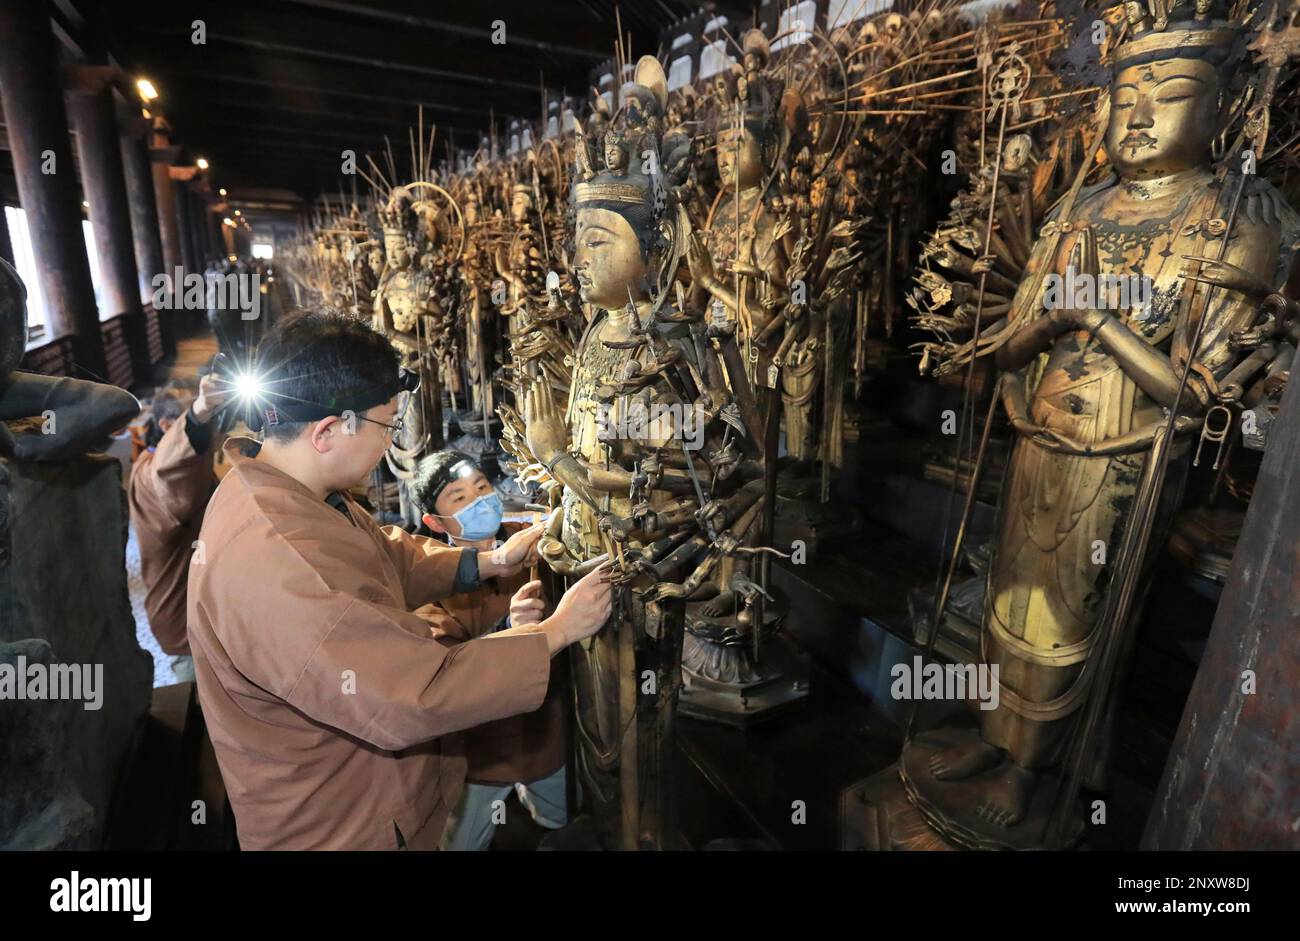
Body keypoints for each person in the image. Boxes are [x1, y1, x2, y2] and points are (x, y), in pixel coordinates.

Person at [187, 310, 612, 850]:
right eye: (387, 424)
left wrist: (485, 563)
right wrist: (554, 633)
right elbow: (411, 694)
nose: (391, 443)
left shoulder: (289, 491)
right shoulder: (275, 558)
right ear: (327, 430)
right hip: (341, 825)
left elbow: (378, 556)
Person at [410, 450, 569, 850]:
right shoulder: (432, 587)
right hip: (476, 755)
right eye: (459, 497)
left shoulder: (534, 550)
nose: (480, 500)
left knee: (559, 818)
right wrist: (509, 630)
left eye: (483, 487)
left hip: (543, 735)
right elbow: (445, 673)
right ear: (434, 521)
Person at [127, 374, 226, 683]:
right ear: (169, 426)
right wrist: (199, 412)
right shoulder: (155, 475)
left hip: (202, 615)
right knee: (203, 715)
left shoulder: (158, 458)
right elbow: (173, 469)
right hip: (185, 622)